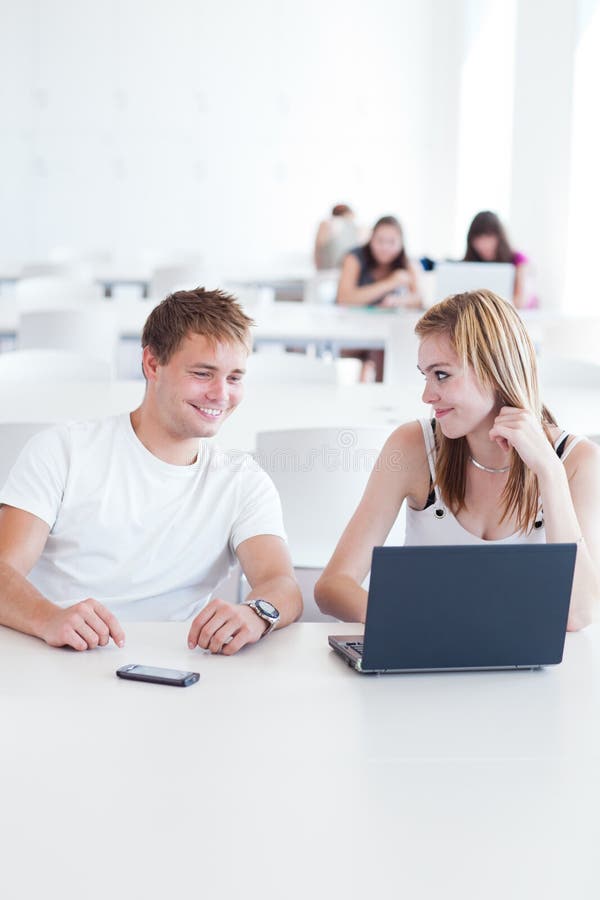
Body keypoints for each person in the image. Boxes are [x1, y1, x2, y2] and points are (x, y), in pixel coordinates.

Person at [0, 288, 302, 654]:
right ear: (152, 364)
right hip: (57, 654)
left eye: (234, 378)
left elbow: (282, 584)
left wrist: (256, 613)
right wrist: (48, 618)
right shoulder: (63, 451)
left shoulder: (243, 481)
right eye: (203, 373)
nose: (221, 394)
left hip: (175, 663)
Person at [315, 289, 600, 628]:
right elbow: (332, 586)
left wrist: (549, 473)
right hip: (422, 651)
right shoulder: (413, 446)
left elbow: (578, 614)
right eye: (425, 375)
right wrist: (402, 619)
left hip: (522, 661)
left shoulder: (576, 462)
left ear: (494, 370)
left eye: (442, 375)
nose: (426, 395)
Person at [336, 215, 422, 381]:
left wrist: (399, 301)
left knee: (390, 348)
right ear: (371, 240)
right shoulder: (354, 257)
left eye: (391, 242)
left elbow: (419, 299)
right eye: (380, 241)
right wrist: (389, 283)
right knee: (381, 349)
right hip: (351, 329)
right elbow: (344, 298)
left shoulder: (407, 263)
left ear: (401, 243)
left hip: (387, 332)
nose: (385, 247)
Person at [464, 210, 537, 309]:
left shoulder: (518, 260)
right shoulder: (467, 265)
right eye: (478, 238)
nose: (484, 243)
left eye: (489, 236)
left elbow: (520, 301)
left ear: (500, 237)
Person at [314, 203, 361, 270]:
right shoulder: (355, 227)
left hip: (330, 269)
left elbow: (318, 246)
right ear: (348, 213)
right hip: (343, 269)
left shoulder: (328, 224)